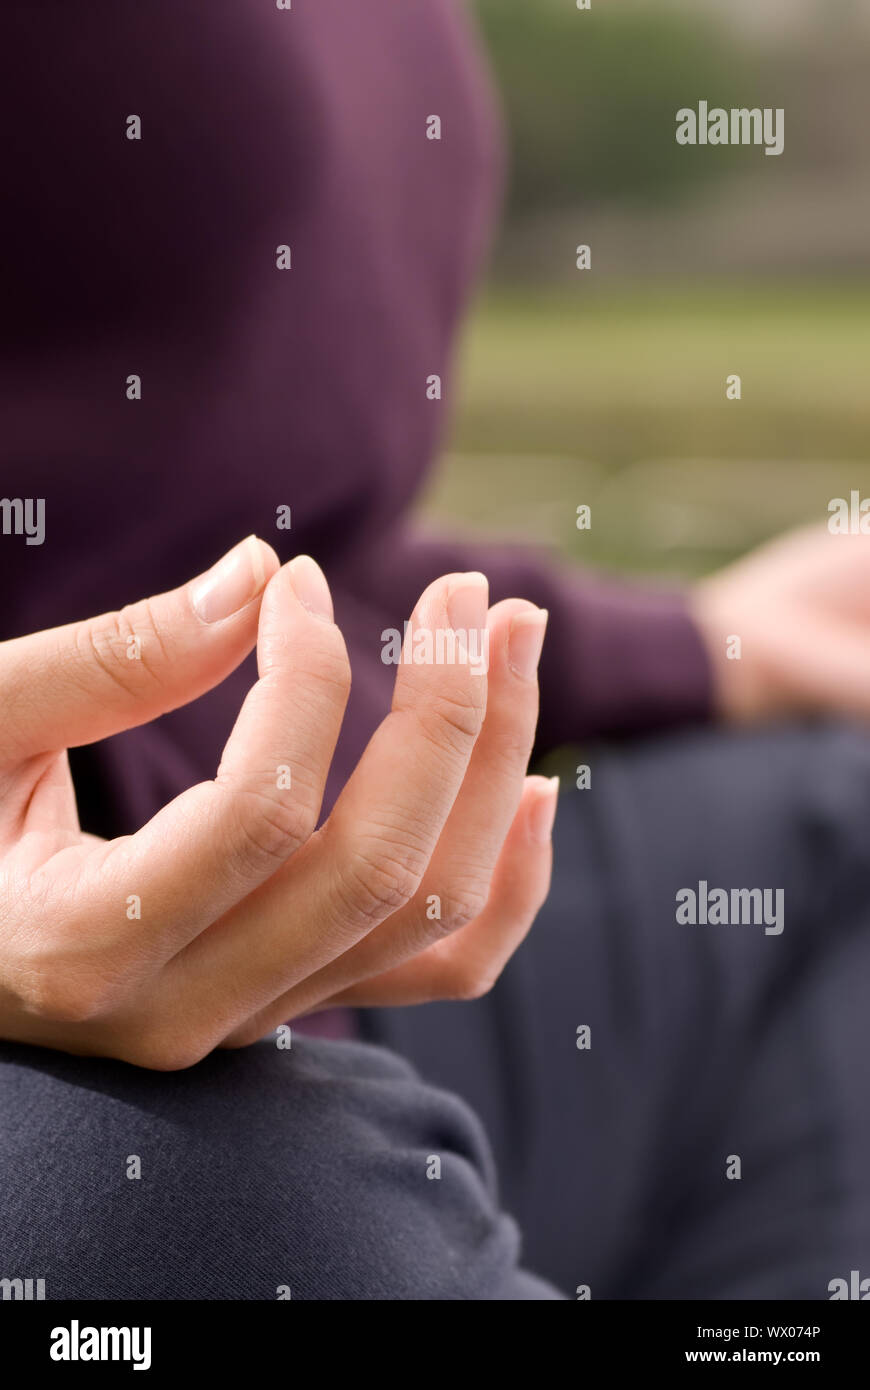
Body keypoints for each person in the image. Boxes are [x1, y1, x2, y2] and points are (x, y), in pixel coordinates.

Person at [1, 1, 869, 1299]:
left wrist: (687, 644)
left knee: (840, 818)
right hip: (143, 1127)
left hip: (308, 1001)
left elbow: (225, 536)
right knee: (218, 1221)